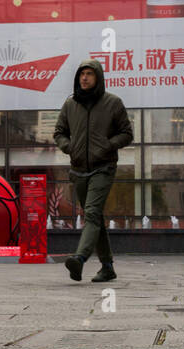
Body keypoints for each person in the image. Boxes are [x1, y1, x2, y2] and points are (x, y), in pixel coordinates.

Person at [53, 58, 133, 283]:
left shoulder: (113, 103)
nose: (84, 78)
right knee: (95, 217)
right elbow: (59, 132)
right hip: (78, 170)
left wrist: (107, 145)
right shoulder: (71, 104)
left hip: (103, 167)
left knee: (91, 213)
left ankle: (79, 258)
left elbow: (126, 133)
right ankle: (107, 267)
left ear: (98, 78)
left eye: (89, 74)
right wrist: (70, 147)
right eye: (81, 74)